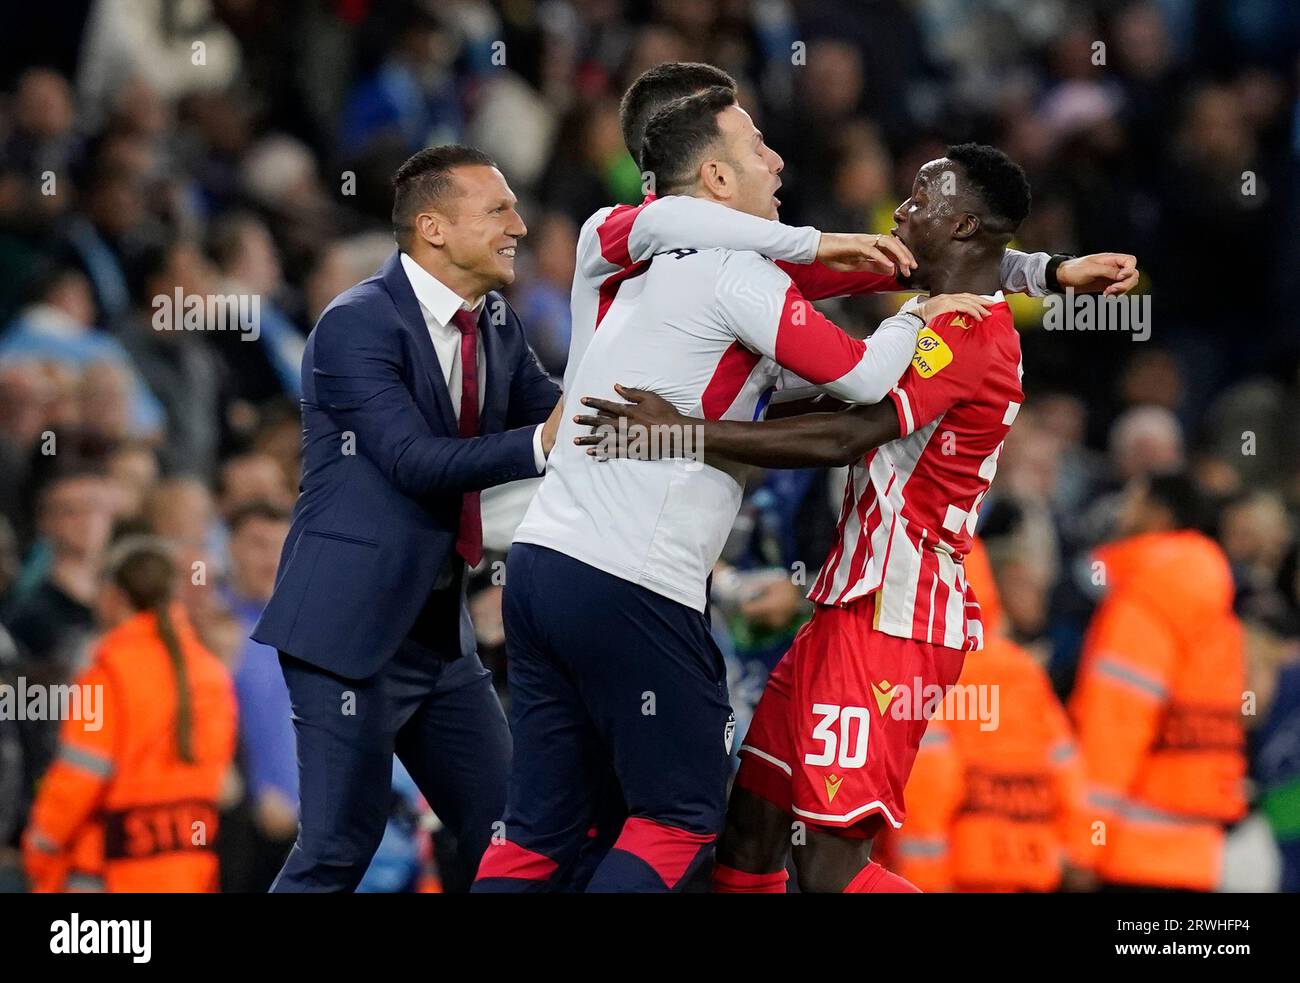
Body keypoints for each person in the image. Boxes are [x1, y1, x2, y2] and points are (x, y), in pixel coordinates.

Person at [474, 87, 991, 893]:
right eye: (758, 148)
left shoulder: (613, 259)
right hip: (634, 579)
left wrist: (1043, 270)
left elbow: (808, 299)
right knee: (679, 820)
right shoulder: (738, 274)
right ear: (715, 177)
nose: (779, 160)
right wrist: (915, 319)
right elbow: (858, 377)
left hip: (543, 566)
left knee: (539, 830)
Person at [573, 144, 1049, 892]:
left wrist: (680, 431)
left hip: (893, 619)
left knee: (828, 868)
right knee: (751, 835)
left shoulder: (965, 334)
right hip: (847, 608)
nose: (901, 210)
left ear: (962, 226)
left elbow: (844, 436)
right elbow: (836, 399)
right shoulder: (937, 317)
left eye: (922, 198)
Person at [251, 145, 563, 891]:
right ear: (432, 227)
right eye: (498, 209)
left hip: (436, 634)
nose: (519, 224)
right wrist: (543, 442)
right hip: (346, 632)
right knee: (337, 849)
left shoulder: (494, 322)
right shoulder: (356, 324)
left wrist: (667, 418)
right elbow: (414, 461)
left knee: (512, 836)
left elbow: (565, 414)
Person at [22, 536, 236, 892]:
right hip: (188, 872)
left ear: (113, 596)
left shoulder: (107, 675)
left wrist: (40, 847)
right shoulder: (211, 671)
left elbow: (77, 780)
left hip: (109, 876)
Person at [1068, 472, 1246, 891]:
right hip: (1195, 855)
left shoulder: (1146, 600)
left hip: (1126, 854)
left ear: (1159, 515)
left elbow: (1114, 729)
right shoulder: (1213, 598)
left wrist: (1082, 847)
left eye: (1133, 500)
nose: (1121, 513)